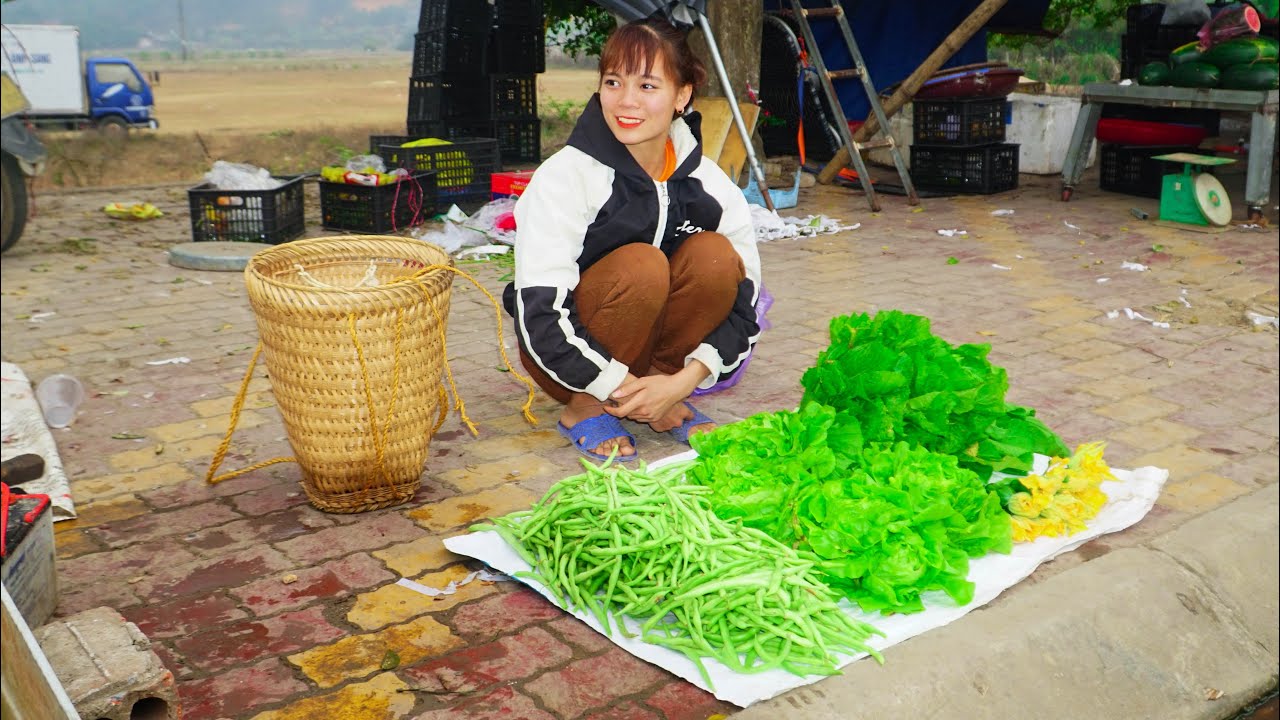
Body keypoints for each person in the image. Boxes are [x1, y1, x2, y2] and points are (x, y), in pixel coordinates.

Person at [503, 16, 762, 462]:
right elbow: (540, 313)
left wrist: (678, 383)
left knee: (716, 258)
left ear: (682, 96)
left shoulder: (710, 184)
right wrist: (615, 386)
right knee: (642, 265)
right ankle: (586, 408)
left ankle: (658, 398)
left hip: (661, 365)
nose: (626, 101)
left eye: (647, 86)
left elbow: (746, 302)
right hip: (565, 359)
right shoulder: (566, 176)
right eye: (613, 82)